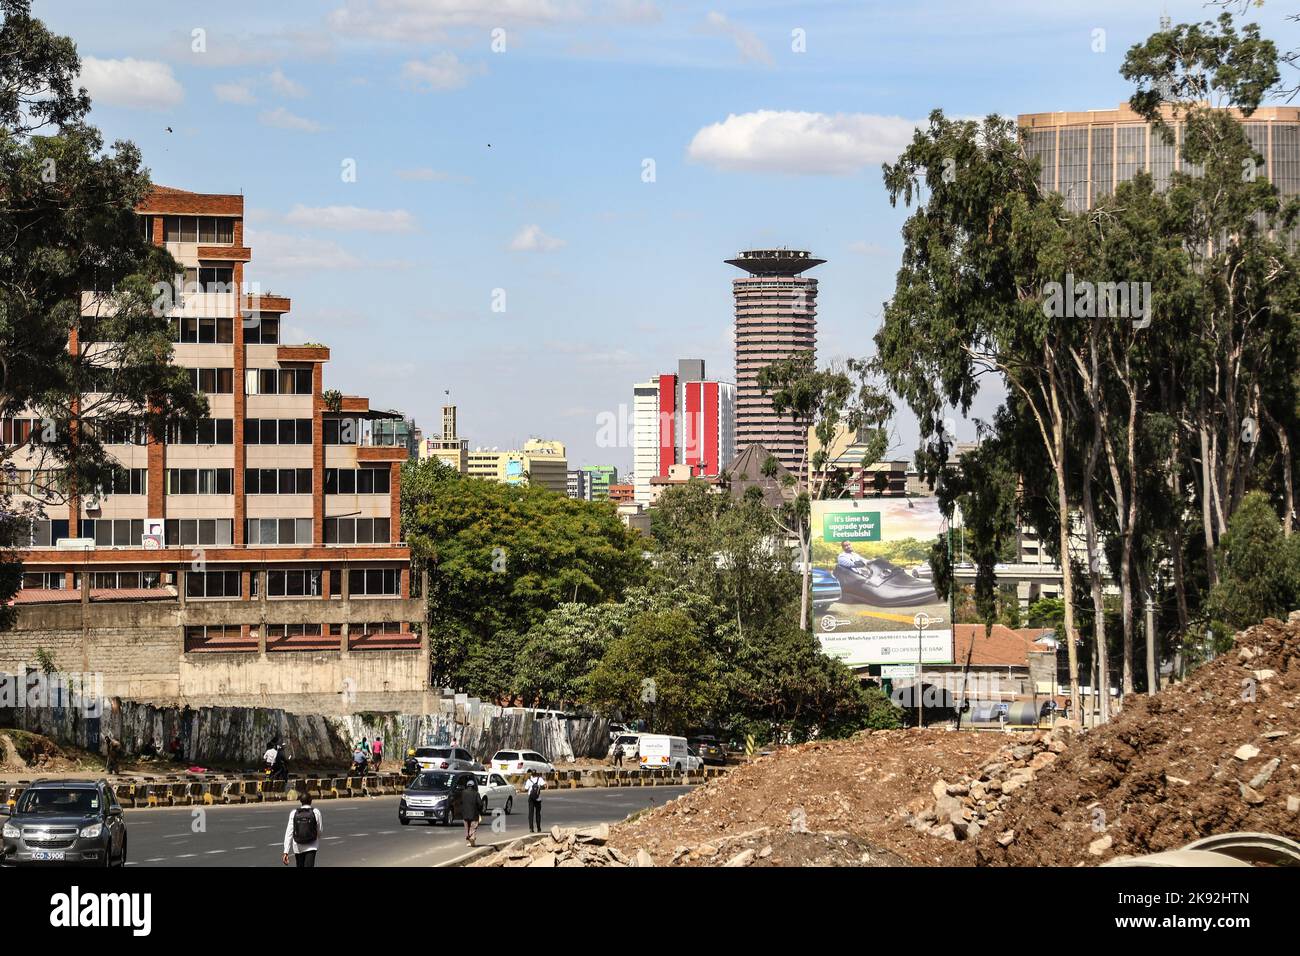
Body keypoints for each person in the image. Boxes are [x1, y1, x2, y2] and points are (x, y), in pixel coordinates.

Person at [282, 791, 322, 867]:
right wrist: (316, 838)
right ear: (311, 801)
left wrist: (286, 851)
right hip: (312, 845)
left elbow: (289, 832)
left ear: (300, 801)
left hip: (298, 846)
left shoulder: (294, 813)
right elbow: (319, 830)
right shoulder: (316, 812)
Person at [460, 777, 483, 846]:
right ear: (473, 786)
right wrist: (479, 811)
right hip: (474, 814)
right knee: (473, 827)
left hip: (465, 814)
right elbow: (480, 804)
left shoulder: (463, 793)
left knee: (467, 827)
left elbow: (461, 802)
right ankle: (472, 837)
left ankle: (468, 839)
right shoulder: (476, 794)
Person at [524, 768, 546, 833]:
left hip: (531, 798)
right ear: (536, 773)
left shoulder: (529, 780)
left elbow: (526, 788)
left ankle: (531, 828)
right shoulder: (540, 779)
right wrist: (539, 788)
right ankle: (539, 828)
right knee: (538, 814)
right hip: (538, 798)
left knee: (531, 814)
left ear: (531, 774)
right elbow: (544, 786)